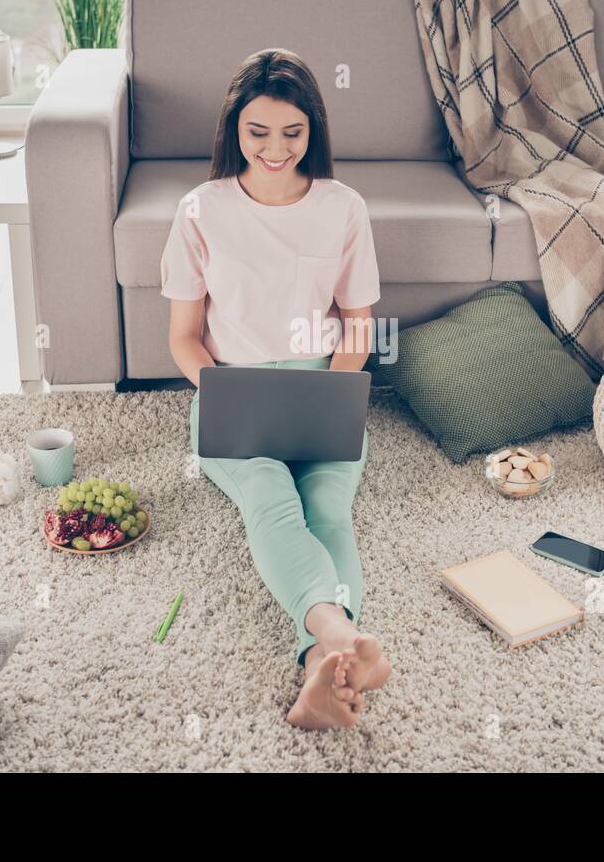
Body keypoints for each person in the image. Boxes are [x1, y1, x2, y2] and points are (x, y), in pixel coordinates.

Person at [161, 48, 391, 730]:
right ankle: (343, 639)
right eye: (257, 132)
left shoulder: (344, 208)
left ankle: (325, 663)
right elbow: (182, 337)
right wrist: (226, 392)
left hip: (325, 383)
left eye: (292, 133)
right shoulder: (200, 210)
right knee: (269, 500)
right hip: (233, 389)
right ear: (234, 128)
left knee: (328, 508)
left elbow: (357, 327)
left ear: (312, 131)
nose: (274, 149)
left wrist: (329, 394)